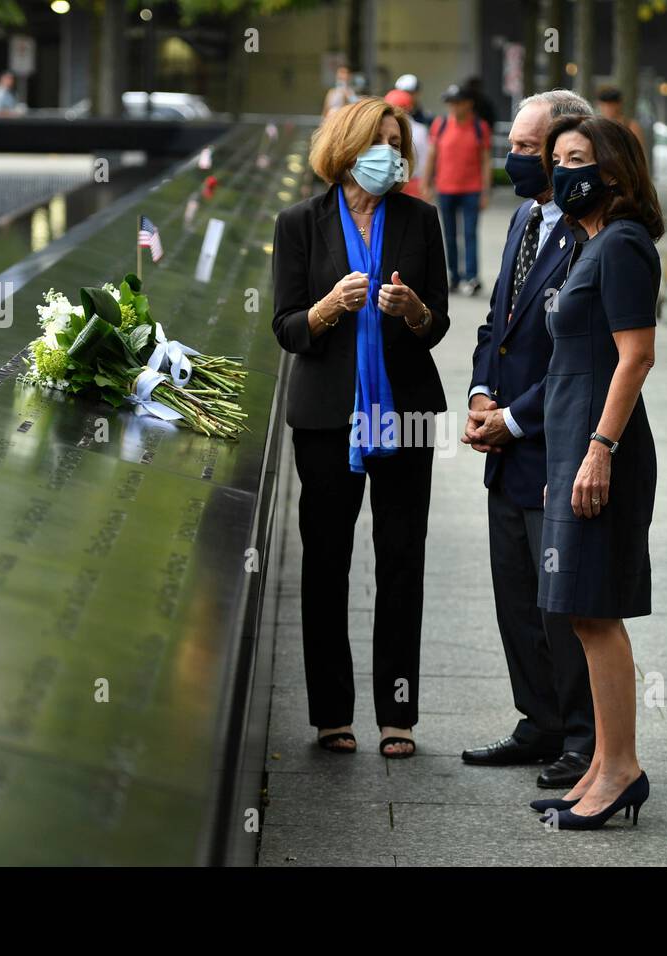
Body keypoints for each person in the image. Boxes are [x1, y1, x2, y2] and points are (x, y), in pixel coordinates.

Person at [270, 96, 450, 759]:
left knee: (402, 560)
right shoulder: (299, 223)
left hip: (405, 412)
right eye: (379, 140)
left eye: (396, 142)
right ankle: (331, 715)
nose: (390, 153)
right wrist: (323, 310)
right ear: (345, 148)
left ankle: (397, 715)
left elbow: (439, 325)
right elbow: (286, 326)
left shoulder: (421, 219)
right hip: (325, 416)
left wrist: (413, 310)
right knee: (327, 563)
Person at [461, 89, 597, 790]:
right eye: (510, 144)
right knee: (514, 594)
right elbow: (497, 327)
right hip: (505, 442)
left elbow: (581, 359)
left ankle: (581, 739)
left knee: (560, 603)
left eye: (522, 148)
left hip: (556, 446)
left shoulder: (589, 236)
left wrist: (514, 418)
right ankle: (538, 721)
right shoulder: (520, 217)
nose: (510, 158)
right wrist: (482, 395)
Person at [532, 114, 663, 829]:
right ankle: (603, 766)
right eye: (556, 160)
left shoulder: (622, 246)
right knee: (581, 610)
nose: (561, 171)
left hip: (604, 451)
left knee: (597, 611)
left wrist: (597, 450)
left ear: (613, 170)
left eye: (576, 158)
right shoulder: (590, 245)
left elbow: (635, 355)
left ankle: (621, 768)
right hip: (576, 446)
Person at [423, 83, 492, 295]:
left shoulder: (480, 128)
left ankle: (471, 278)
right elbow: (432, 155)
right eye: (450, 102)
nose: (452, 106)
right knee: (449, 235)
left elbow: (486, 162)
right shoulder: (440, 124)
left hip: (471, 189)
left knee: (470, 234)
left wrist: (486, 192)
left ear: (468, 104)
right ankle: (453, 276)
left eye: (457, 102)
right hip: (445, 188)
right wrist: (427, 183)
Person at [384, 88, 427, 198]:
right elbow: (424, 160)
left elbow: (424, 160)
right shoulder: (420, 129)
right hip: (407, 181)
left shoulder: (418, 130)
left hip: (402, 181)